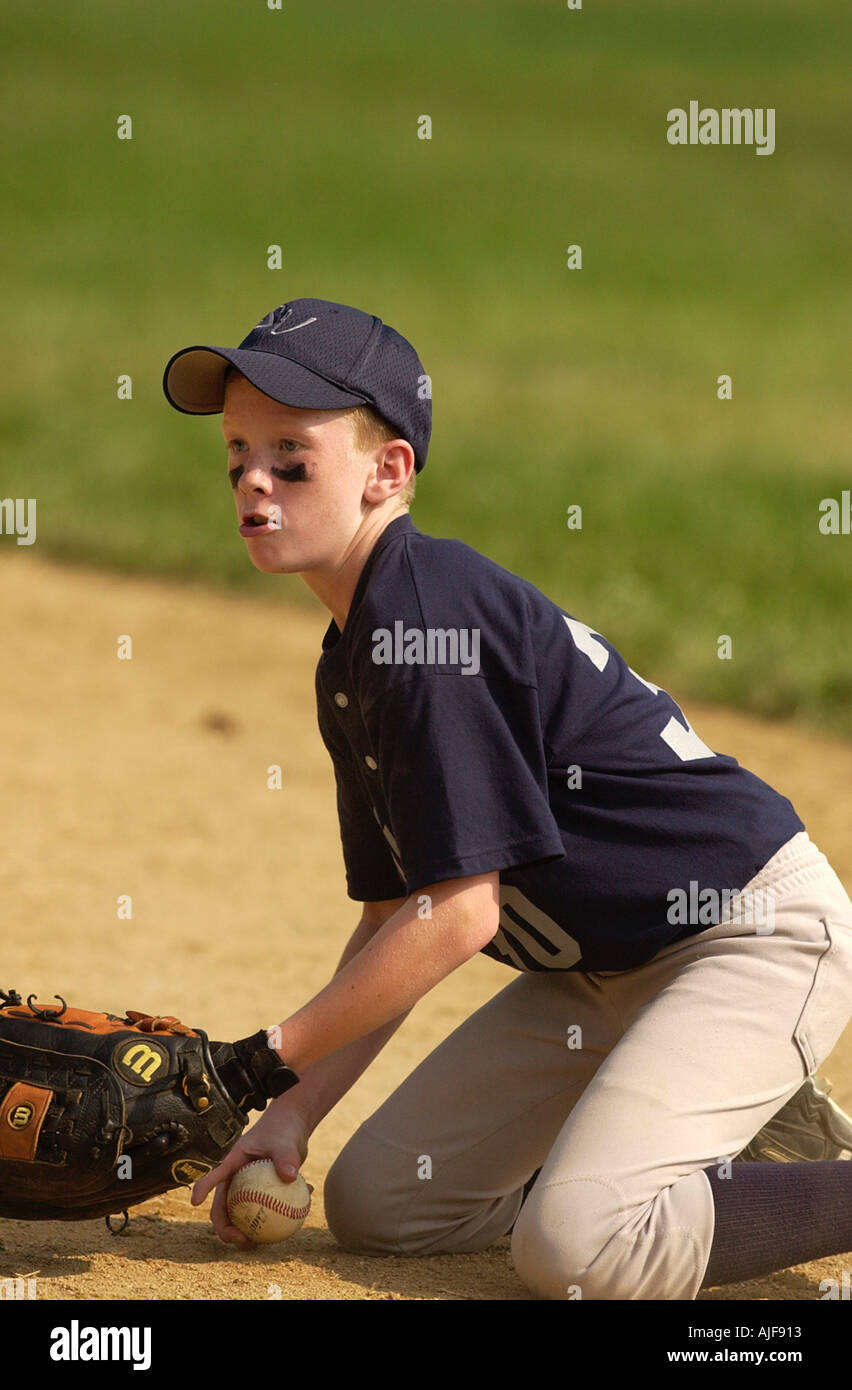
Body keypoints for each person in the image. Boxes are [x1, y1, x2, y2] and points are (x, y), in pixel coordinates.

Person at [163, 298, 852, 1299]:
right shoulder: (355, 655)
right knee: (392, 1206)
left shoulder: (425, 620)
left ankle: (692, 1154)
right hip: (604, 976)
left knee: (579, 1251)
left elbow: (462, 914)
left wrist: (259, 1057)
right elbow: (399, 914)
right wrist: (291, 1111)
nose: (252, 482)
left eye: (291, 454)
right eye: (235, 454)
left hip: (750, 938)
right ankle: (676, 1134)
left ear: (387, 472)